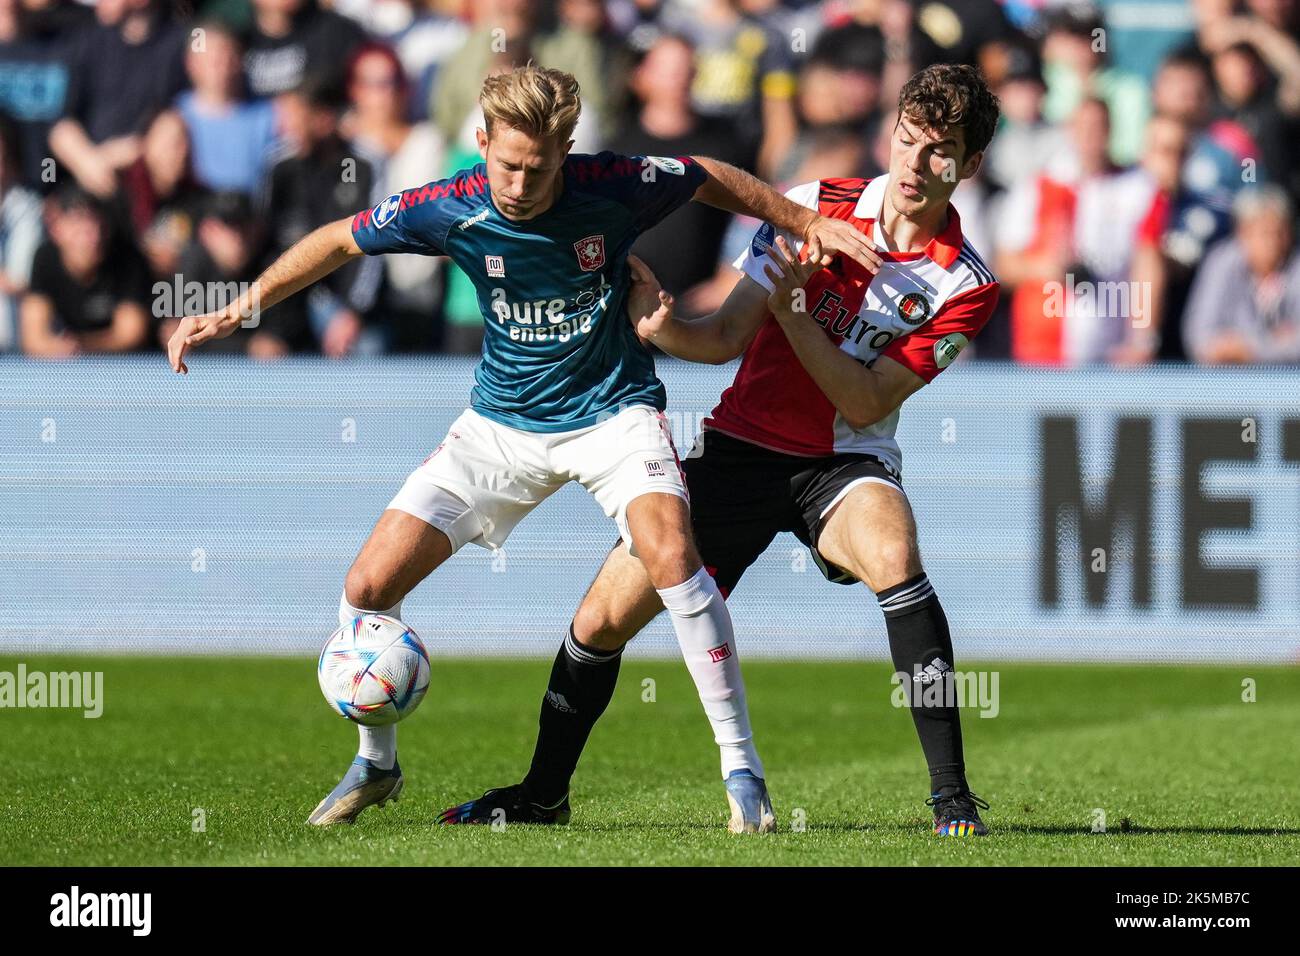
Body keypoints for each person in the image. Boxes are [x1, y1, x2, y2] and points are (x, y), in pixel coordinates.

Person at [164, 64, 882, 831]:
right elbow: (340, 241)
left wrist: (804, 223)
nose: (518, 183)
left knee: (674, 556)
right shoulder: (451, 205)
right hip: (499, 427)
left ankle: (742, 772)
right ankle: (376, 763)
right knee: (366, 589)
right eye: (505, 163)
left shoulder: (616, 183)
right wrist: (240, 307)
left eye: (538, 169)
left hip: (614, 413)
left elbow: (710, 176)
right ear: (481, 143)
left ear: (566, 152)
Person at [441, 64, 1002, 838]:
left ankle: (953, 802)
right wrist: (663, 327)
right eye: (905, 140)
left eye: (938, 151)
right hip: (738, 449)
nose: (913, 164)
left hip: (845, 460)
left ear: (969, 166)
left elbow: (865, 400)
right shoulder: (812, 208)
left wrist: (799, 312)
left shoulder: (965, 284)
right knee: (602, 618)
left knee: (897, 557)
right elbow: (727, 339)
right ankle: (542, 795)